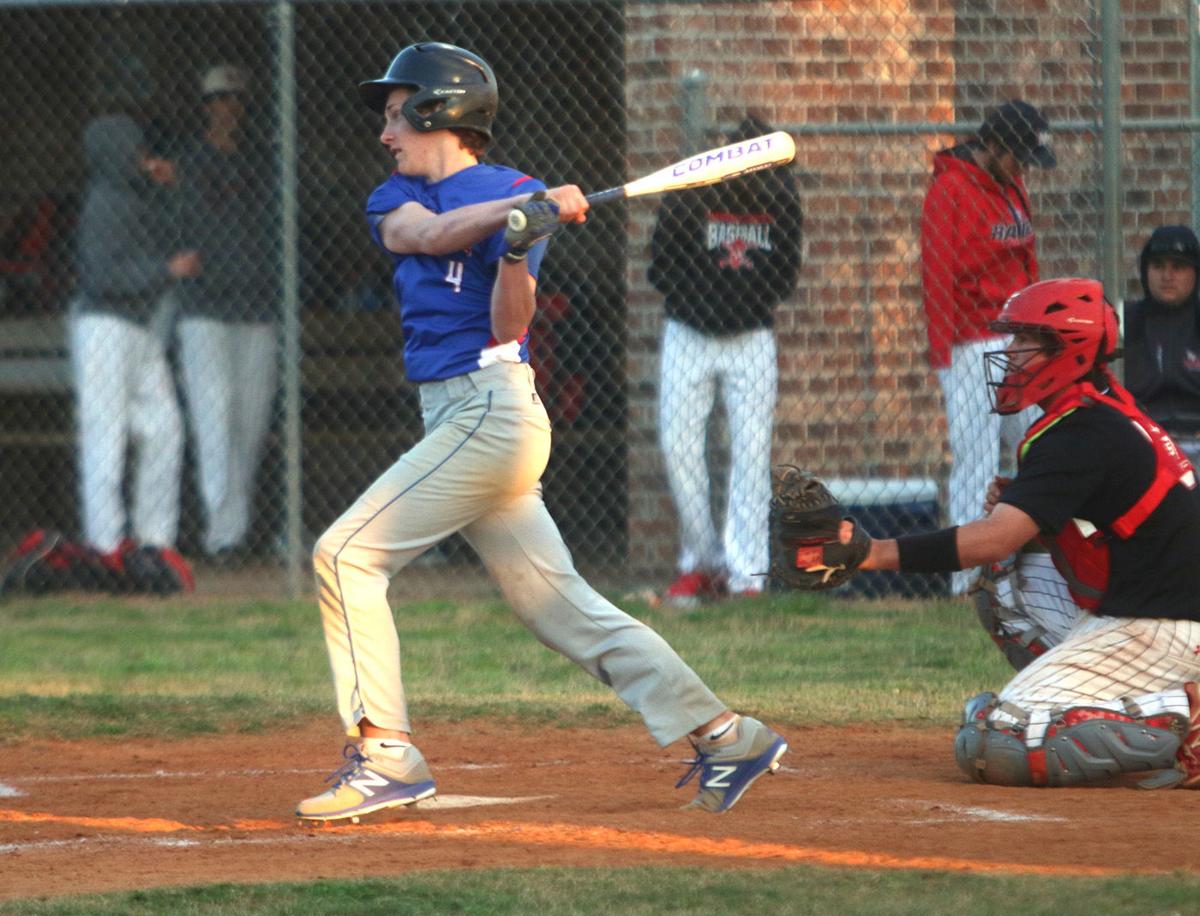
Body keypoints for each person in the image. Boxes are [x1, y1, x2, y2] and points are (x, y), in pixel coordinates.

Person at [294, 42, 788, 824]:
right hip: (455, 416)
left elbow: (507, 326)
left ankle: (387, 754)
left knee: (345, 554)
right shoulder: (395, 197)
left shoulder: (522, 197)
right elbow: (429, 236)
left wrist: (521, 245)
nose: (386, 133)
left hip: (490, 410)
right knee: (560, 608)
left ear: (438, 110)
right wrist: (516, 215)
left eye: (397, 114)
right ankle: (728, 733)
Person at [833, 278, 1199, 789]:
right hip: (1145, 606)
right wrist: (1031, 512)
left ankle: (1185, 724)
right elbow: (1074, 531)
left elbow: (995, 537)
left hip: (1160, 627)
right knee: (1004, 584)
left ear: (1066, 350)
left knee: (998, 741)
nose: (1011, 351)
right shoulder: (1097, 408)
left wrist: (872, 553)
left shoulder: (1081, 433)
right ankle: (1104, 701)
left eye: (1025, 340)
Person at [648, 115, 803, 605]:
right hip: (687, 331)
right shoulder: (692, 187)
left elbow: (784, 272)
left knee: (751, 454)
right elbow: (661, 262)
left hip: (751, 336)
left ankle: (746, 576)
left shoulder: (781, 195)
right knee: (678, 446)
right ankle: (702, 562)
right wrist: (702, 302)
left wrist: (742, 303)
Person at [920, 100, 1056, 595]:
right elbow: (937, 275)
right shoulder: (949, 189)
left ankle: (1040, 567)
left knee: (1042, 443)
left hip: (1020, 338)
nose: (1023, 168)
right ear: (992, 145)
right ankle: (969, 578)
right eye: (1017, 156)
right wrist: (945, 357)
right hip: (971, 343)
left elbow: (1028, 260)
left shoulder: (1012, 184)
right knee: (975, 460)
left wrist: (1041, 330)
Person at [65, 114, 198, 592]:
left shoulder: (137, 196)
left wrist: (167, 187)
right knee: (106, 434)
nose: (145, 157)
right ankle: (105, 548)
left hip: (139, 328)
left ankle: (153, 543)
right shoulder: (105, 202)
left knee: (164, 428)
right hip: (102, 326)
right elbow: (102, 278)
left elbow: (178, 228)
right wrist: (163, 271)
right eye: (136, 150)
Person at [175, 63, 279, 565]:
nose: (227, 108)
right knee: (212, 419)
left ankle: (235, 530)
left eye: (234, 99)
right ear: (205, 107)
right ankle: (221, 537)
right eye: (217, 99)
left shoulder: (262, 164)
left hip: (256, 304)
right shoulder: (188, 163)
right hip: (204, 308)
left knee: (250, 423)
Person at [1123, 224, 1200, 463]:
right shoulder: (1125, 321)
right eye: (1158, 266)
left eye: (1178, 267)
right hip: (1141, 440)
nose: (1167, 276)